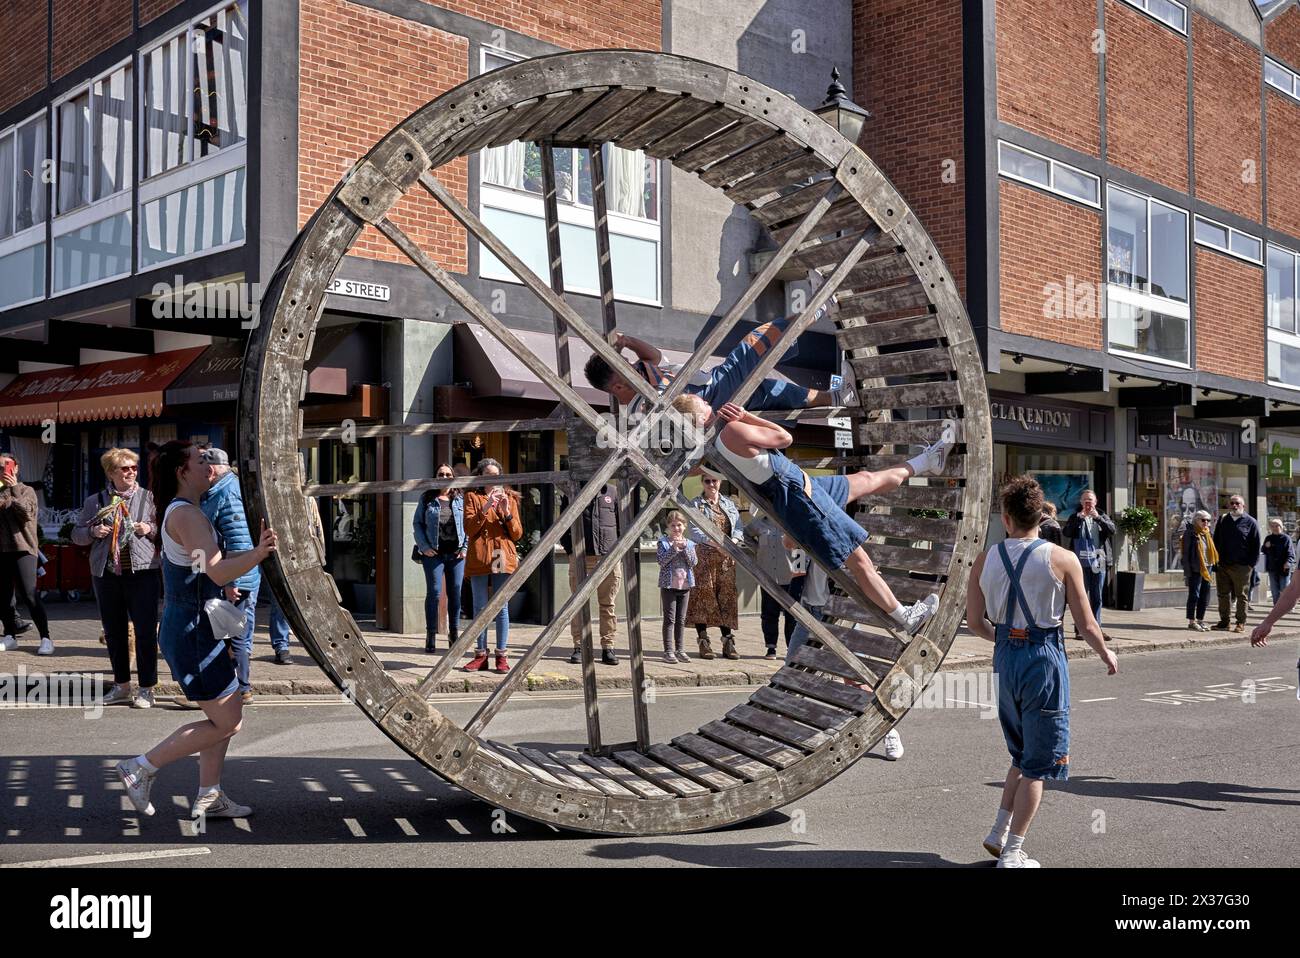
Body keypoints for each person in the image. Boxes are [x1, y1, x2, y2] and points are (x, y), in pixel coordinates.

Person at [675, 394, 950, 636]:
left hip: (797, 486)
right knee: (859, 561)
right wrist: (747, 416)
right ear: (698, 419)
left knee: (867, 479)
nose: (712, 404)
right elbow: (785, 438)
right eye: (705, 405)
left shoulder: (713, 449)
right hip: (800, 495)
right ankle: (906, 618)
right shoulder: (732, 430)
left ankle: (927, 461)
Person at [115, 440, 278, 822]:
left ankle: (210, 795)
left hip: (195, 628)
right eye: (200, 461)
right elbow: (218, 571)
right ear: (181, 471)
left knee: (227, 713)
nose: (210, 466)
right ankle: (140, 767)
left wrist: (249, 553)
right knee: (229, 720)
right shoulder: (186, 515)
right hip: (191, 633)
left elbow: (214, 565)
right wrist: (259, 553)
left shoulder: (187, 510)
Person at [966, 476, 1118, 868]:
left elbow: (975, 623)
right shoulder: (1061, 558)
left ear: (1006, 518)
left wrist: (1005, 640)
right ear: (1042, 517)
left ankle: (998, 832)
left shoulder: (986, 558)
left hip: (1005, 655)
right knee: (1038, 764)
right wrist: (1106, 654)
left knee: (1021, 753)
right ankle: (1013, 853)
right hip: (1043, 654)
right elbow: (1086, 625)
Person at [584, 298, 856, 420]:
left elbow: (653, 356)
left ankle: (836, 398)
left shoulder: (640, 377)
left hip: (716, 391)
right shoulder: (639, 408)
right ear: (617, 387)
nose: (632, 365)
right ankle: (821, 306)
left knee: (775, 391)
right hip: (715, 393)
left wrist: (627, 342)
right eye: (625, 368)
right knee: (757, 342)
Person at [785, 562, 905, 760]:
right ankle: (784, 733)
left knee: (859, 680)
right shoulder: (804, 534)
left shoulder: (835, 537)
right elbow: (789, 546)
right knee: (790, 678)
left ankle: (887, 730)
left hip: (840, 615)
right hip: (809, 614)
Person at [72, 448, 161, 708]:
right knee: (114, 632)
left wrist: (149, 528)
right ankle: (121, 685)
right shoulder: (96, 501)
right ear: (111, 472)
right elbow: (76, 534)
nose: (131, 472)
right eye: (125, 468)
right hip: (107, 574)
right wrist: (92, 531)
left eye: (134, 467)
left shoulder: (149, 498)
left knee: (145, 632)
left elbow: (167, 531)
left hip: (143, 572)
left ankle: (146, 689)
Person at [198, 448, 260, 703]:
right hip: (231, 577)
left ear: (211, 470)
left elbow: (239, 545)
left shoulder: (229, 494)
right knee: (230, 634)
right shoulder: (224, 490)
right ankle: (233, 688)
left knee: (236, 635)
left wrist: (229, 582)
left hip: (235, 580)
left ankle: (241, 689)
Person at [463, 458, 522, 674]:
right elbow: (469, 529)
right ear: (481, 477)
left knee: (501, 607)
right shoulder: (472, 497)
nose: (493, 480)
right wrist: (487, 505)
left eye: (496, 476)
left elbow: (516, 533)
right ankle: (480, 654)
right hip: (479, 555)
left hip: (500, 554)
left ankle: (502, 655)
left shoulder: (511, 498)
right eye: (488, 475)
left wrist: (505, 512)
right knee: (480, 607)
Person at [265, 472, 325, 664]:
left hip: (306, 557)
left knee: (310, 603)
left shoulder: (308, 500)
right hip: (281, 556)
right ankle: (282, 646)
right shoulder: (273, 500)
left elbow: (317, 527)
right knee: (281, 604)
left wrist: (320, 555)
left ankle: (316, 646)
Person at [560, 483, 622, 666]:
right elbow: (563, 523)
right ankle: (579, 646)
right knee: (578, 604)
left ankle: (607, 647)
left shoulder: (612, 491)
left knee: (608, 605)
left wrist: (617, 550)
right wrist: (571, 550)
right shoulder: (572, 491)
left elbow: (621, 523)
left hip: (608, 557)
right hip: (581, 557)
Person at [686, 469, 744, 660]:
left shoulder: (729, 503)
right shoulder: (696, 503)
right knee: (704, 597)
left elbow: (738, 529)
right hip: (704, 556)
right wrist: (719, 545)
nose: (712, 485)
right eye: (708, 481)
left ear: (720, 483)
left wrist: (732, 544)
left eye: (715, 481)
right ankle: (704, 641)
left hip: (726, 558)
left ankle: (728, 642)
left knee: (726, 599)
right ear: (702, 483)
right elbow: (695, 531)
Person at [0, 454, 52, 655]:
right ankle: (10, 635)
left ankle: (46, 637)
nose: (3, 470)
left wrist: (12, 489)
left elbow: (26, 514)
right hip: (1, 551)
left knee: (29, 594)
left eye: (7, 465)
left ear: (16, 468)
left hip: (23, 549)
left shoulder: (26, 490)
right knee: (3, 597)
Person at [414, 464, 467, 653]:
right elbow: (417, 523)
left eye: (448, 474)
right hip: (434, 554)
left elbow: (468, 524)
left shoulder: (460, 499)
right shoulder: (427, 498)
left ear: (453, 476)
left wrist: (465, 547)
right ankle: (430, 634)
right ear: (435, 477)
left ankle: (453, 633)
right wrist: (424, 547)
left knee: (455, 593)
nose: (444, 477)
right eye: (440, 474)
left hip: (456, 554)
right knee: (434, 593)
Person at [745, 509, 806, 658]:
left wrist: (800, 569)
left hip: (790, 576)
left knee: (792, 616)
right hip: (768, 576)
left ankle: (790, 648)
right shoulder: (759, 522)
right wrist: (758, 550)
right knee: (769, 614)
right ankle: (771, 647)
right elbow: (745, 534)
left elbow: (804, 546)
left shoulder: (792, 522)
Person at [1063, 490, 1114, 641]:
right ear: (1081, 502)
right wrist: (1079, 519)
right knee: (1081, 596)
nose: (1088, 503)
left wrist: (1098, 519)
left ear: (1096, 502)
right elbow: (1067, 533)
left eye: (1090, 500)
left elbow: (1112, 530)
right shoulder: (1075, 517)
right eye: (1085, 500)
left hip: (1099, 560)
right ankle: (1080, 629)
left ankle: (1096, 629)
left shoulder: (1102, 516)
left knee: (1097, 597)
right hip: (1080, 562)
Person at [1212, 494, 1261, 633]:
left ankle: (1240, 622)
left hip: (1242, 566)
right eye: (1232, 503)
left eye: (1237, 503)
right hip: (1223, 565)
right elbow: (1216, 542)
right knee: (1223, 594)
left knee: (1241, 595)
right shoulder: (1223, 520)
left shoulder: (1251, 522)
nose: (1234, 506)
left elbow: (1256, 545)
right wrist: (1215, 561)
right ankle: (1224, 622)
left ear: (1243, 506)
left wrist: (1250, 564)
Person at [656, 511, 698, 664]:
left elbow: (693, 562)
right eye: (673, 525)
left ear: (684, 526)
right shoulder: (663, 543)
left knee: (681, 619)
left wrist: (685, 547)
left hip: (685, 586)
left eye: (679, 525)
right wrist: (673, 549)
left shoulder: (690, 543)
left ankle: (680, 649)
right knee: (670, 619)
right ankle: (668, 651)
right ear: (668, 526)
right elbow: (661, 561)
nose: (676, 528)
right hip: (669, 586)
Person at [1181, 510, 1217, 631]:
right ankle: (1192, 621)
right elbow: (1185, 554)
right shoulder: (1190, 533)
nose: (1206, 522)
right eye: (1203, 520)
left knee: (1204, 595)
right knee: (1194, 595)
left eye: (1208, 520)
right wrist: (1187, 571)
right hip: (1195, 569)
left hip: (1208, 567)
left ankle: (1200, 620)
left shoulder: (1208, 533)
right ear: (1196, 520)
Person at [1262, 518, 1295, 608]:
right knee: (1274, 590)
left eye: (1277, 526)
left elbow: (1291, 553)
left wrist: (1288, 562)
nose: (1275, 528)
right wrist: (1265, 546)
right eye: (1273, 526)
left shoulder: (1286, 538)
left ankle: (1288, 605)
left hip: (1283, 568)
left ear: (1281, 527)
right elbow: (1263, 551)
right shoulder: (1268, 538)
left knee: (1284, 589)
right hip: (1272, 568)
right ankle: (1277, 607)